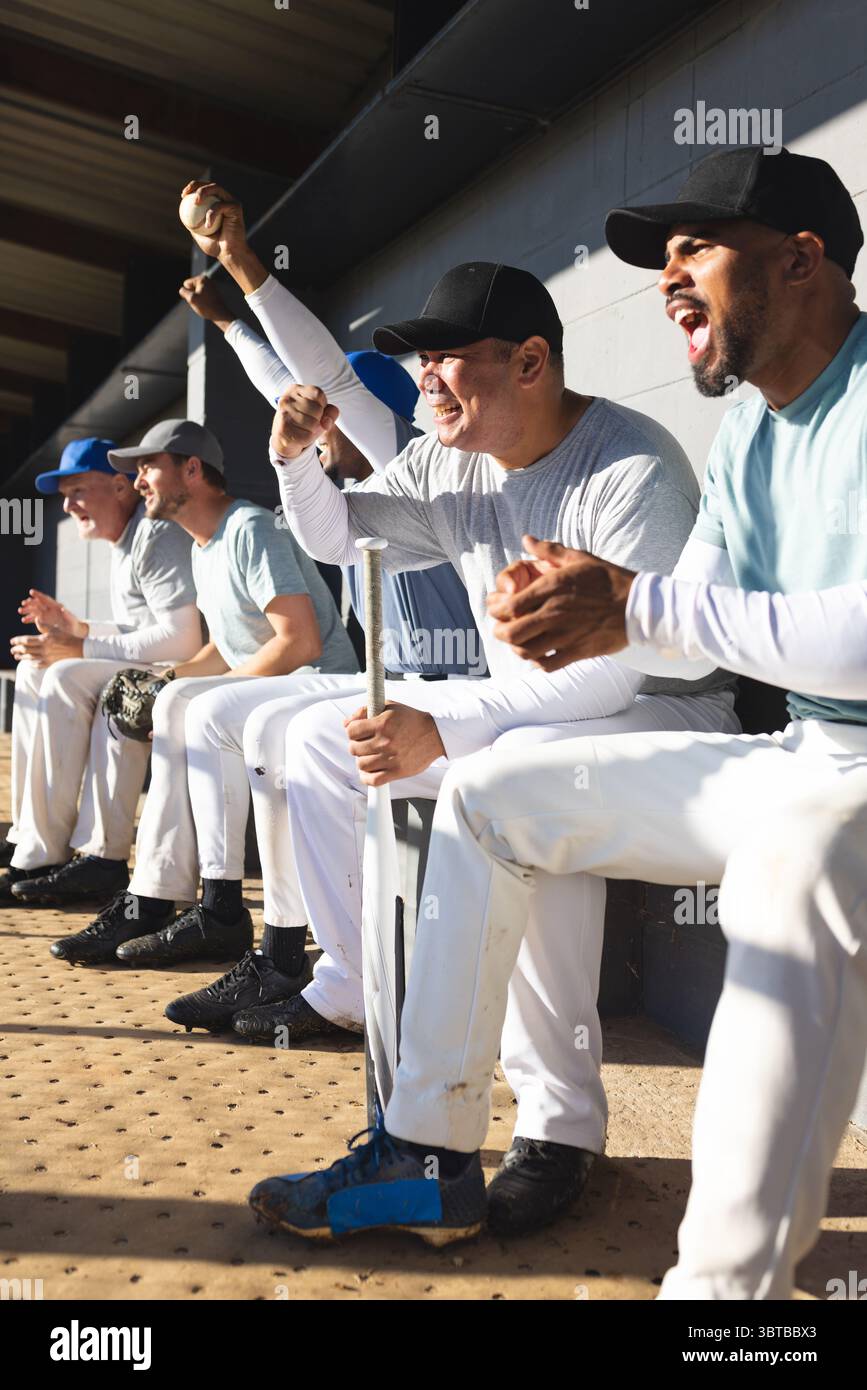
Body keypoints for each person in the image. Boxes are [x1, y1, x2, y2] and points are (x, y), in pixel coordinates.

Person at [246, 148, 867, 1285]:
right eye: (661, 258)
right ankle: (427, 1149)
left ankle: (727, 1297)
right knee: (491, 795)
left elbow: (752, 638)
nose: (668, 279)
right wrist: (609, 614)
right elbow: (675, 615)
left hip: (779, 751)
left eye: (695, 250)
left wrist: (627, 609)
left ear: (801, 261)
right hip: (801, 751)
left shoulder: (714, 439)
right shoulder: (753, 438)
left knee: (784, 861)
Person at [242, 253, 736, 1224]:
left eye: (446, 358)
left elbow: (624, 669)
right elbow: (346, 535)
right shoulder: (450, 452)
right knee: (364, 752)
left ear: (530, 361)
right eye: (419, 360)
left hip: (681, 716)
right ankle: (407, 1103)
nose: (425, 378)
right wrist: (294, 460)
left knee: (509, 774)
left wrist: (448, 725)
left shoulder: (628, 465)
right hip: (543, 708)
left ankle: (552, 1129)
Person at [153, 268, 483, 1011]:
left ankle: (295, 957)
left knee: (283, 726)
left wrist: (242, 276)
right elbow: (288, 390)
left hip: (451, 692)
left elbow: (311, 374)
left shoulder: (411, 465)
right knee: (244, 717)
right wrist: (226, 321)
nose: (310, 424)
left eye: (330, 417)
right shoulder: (351, 504)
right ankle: (271, 941)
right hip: (390, 679)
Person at [47, 418, 357, 964]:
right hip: (273, 690)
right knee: (173, 698)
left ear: (192, 469)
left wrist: (198, 692)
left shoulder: (251, 527)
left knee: (192, 705)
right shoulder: (202, 546)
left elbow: (300, 642)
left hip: (322, 688)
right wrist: (174, 677)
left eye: (147, 466)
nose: (138, 480)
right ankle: (166, 897)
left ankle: (209, 909)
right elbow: (227, 649)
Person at [3, 437, 200, 905]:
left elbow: (184, 637)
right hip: (164, 661)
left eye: (76, 491)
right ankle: (33, 844)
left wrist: (82, 644)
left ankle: (95, 858)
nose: (67, 505)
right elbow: (142, 628)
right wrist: (76, 629)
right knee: (38, 667)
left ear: (118, 487)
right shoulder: (125, 540)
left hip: (198, 669)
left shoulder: (156, 534)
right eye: (64, 495)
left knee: (66, 675)